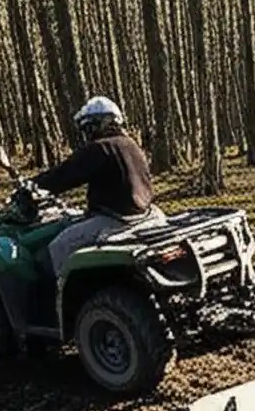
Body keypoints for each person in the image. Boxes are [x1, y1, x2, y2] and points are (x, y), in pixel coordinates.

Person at [32, 96, 165, 276]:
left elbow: (62, 176)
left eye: (88, 127)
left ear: (97, 124)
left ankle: (59, 300)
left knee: (58, 247)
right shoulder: (131, 144)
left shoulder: (100, 148)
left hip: (116, 220)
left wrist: (33, 186)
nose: (87, 133)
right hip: (145, 213)